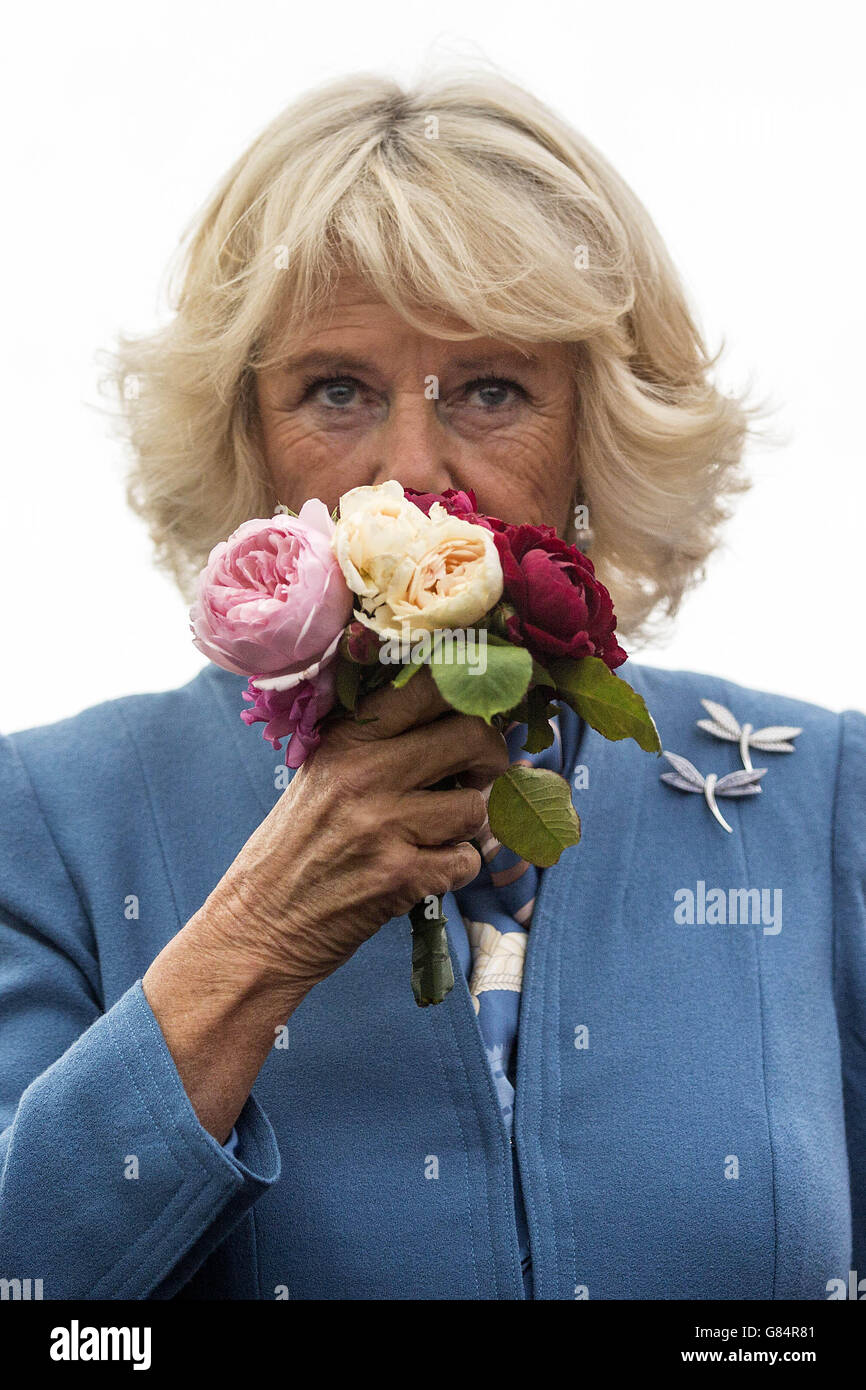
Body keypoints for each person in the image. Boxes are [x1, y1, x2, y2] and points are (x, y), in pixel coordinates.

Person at [1, 70, 863, 1301]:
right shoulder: (46, 816)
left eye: (492, 388)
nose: (412, 466)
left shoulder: (818, 795)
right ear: (249, 436)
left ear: (590, 437)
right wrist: (255, 935)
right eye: (336, 389)